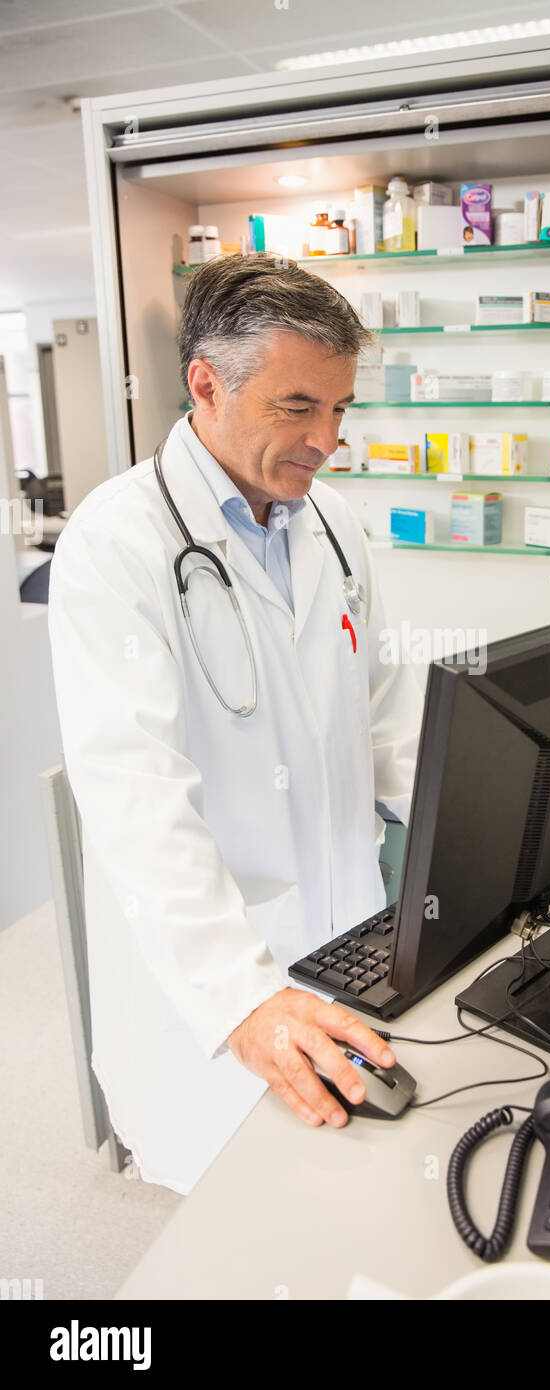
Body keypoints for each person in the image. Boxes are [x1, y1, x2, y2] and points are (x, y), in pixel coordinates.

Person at [48, 254, 423, 1194]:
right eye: (299, 407)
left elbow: (385, 719)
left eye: (340, 410)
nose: (326, 440)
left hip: (350, 943)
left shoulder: (331, 522)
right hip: (215, 985)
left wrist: (483, 834)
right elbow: (135, 801)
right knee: (245, 1224)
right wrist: (245, 996)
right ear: (206, 385)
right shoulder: (116, 543)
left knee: (349, 1203)